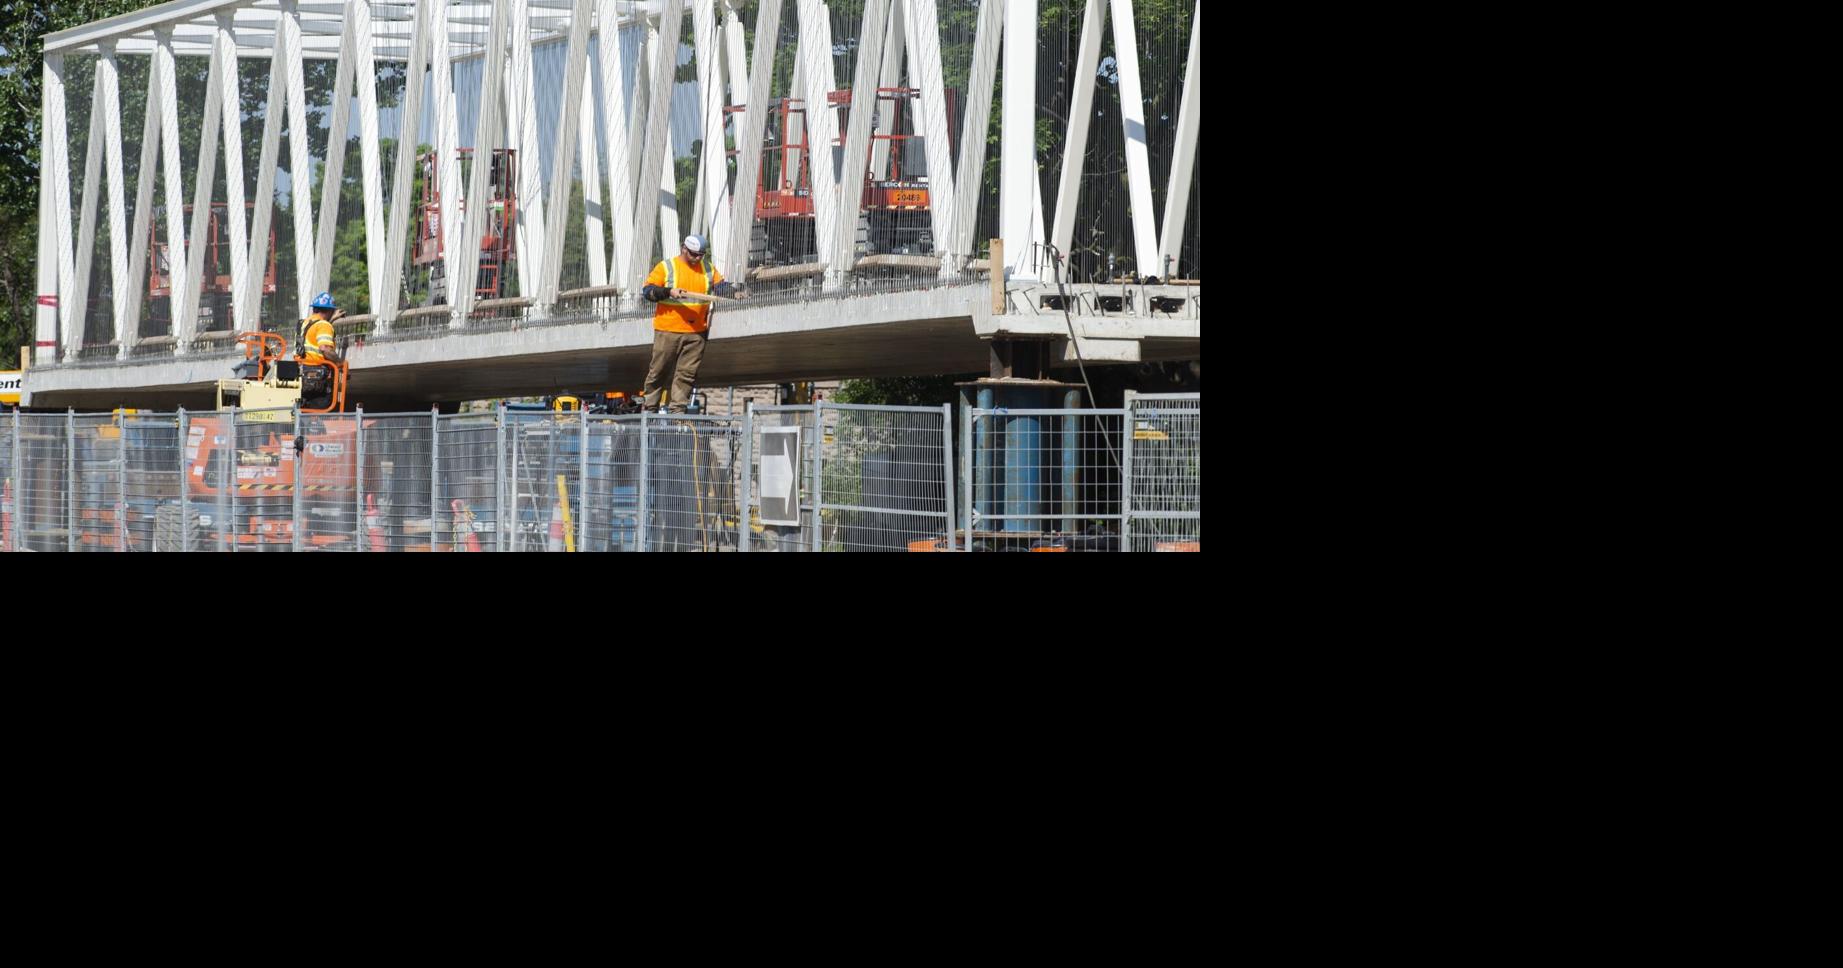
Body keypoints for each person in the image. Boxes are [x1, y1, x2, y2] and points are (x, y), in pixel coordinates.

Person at [640, 234, 744, 412]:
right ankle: (649, 409)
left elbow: (720, 286)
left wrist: (734, 293)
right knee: (658, 371)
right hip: (668, 330)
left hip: (696, 332)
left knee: (687, 374)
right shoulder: (667, 267)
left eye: (701, 255)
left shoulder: (707, 268)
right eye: (694, 254)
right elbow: (648, 291)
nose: (697, 258)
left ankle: (678, 413)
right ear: (684, 249)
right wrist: (669, 291)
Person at [297, 291, 346, 407]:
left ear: (314, 309)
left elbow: (314, 334)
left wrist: (331, 319)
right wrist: (340, 363)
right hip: (317, 375)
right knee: (319, 408)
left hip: (302, 371)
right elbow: (325, 349)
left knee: (305, 408)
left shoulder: (305, 323)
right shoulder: (324, 325)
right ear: (330, 311)